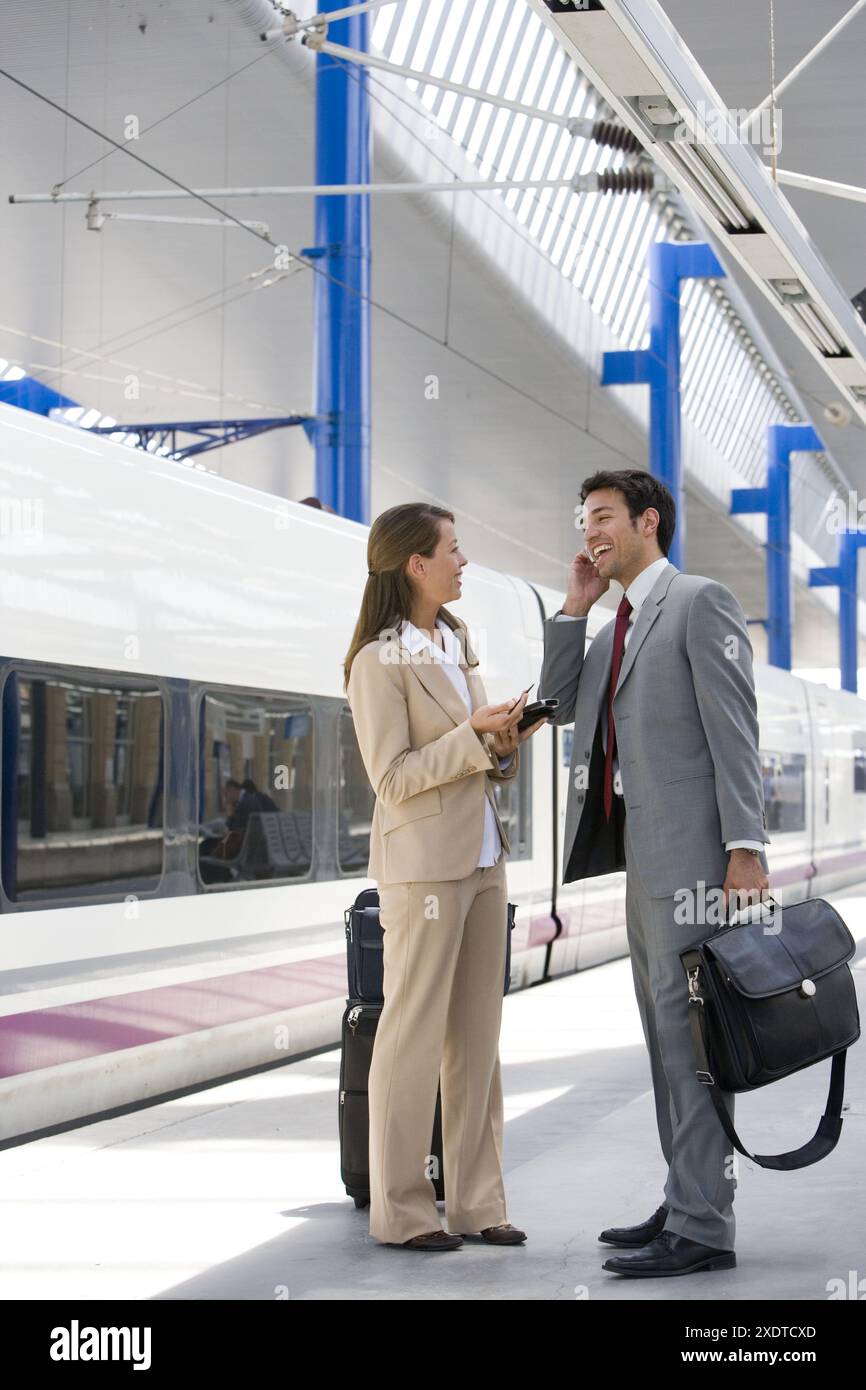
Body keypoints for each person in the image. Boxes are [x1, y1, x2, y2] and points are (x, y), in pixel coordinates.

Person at [538, 469, 769, 1279]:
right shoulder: (616, 627)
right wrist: (574, 609)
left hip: (700, 859)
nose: (590, 531)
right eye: (583, 517)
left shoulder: (698, 602)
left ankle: (706, 1225)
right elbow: (559, 706)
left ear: (648, 521)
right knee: (665, 1038)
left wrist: (747, 848)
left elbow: (734, 731)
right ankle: (686, 1198)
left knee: (694, 1038)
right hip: (645, 860)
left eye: (602, 517)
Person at [344, 502, 550, 1251]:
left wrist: (504, 737)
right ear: (415, 566)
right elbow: (392, 778)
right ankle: (401, 1212)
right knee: (412, 1039)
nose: (464, 562)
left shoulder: (454, 641)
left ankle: (477, 1204)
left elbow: (474, 757)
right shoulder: (376, 661)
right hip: (423, 873)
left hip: (483, 858)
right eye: (453, 551)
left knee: (476, 1038)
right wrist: (472, 737)